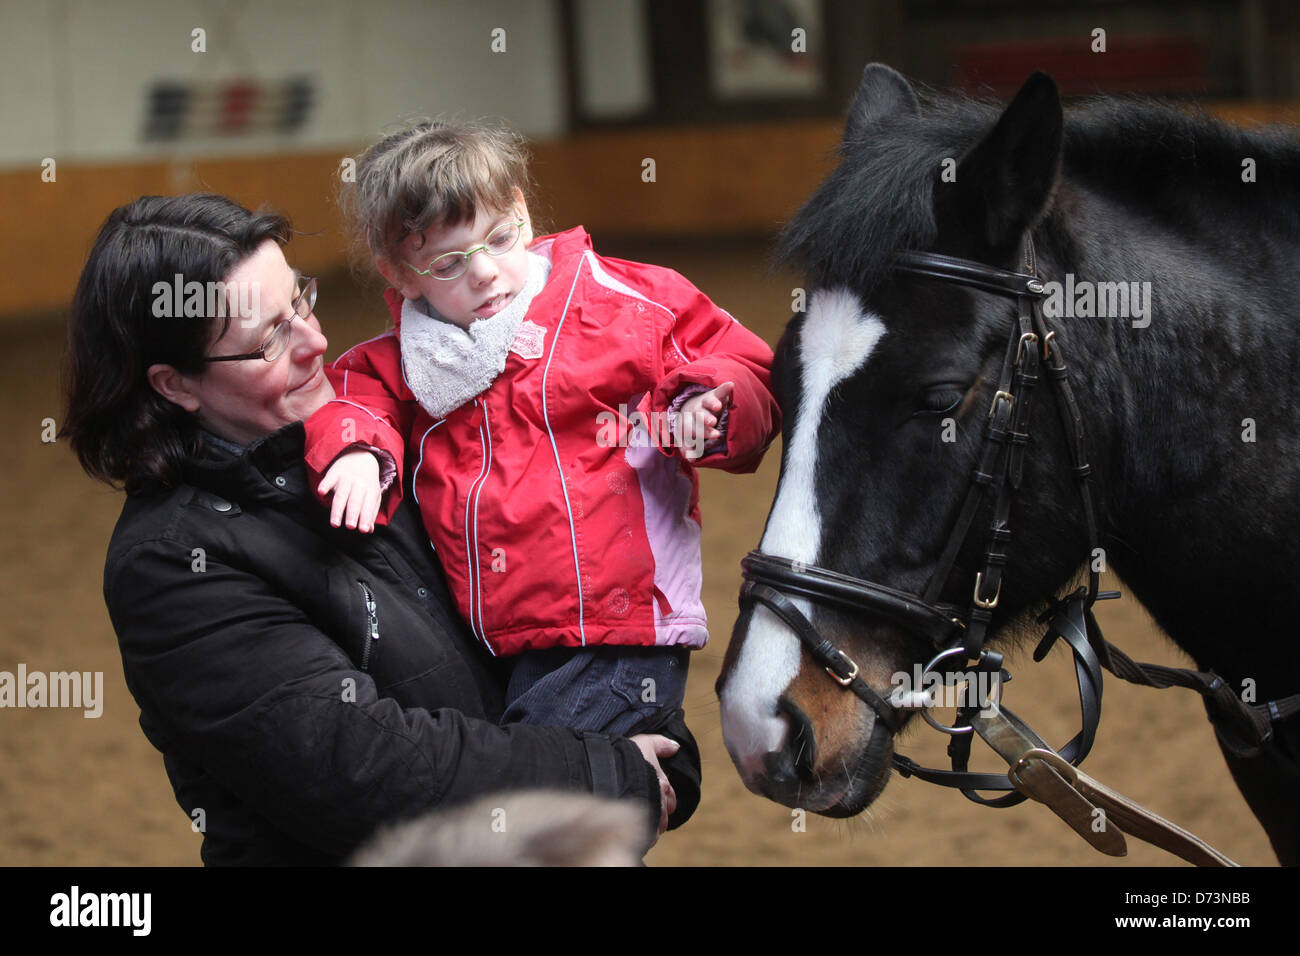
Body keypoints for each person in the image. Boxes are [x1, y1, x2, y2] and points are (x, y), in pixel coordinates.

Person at [61, 193, 697, 866]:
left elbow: (543, 608)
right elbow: (367, 774)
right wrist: (605, 774)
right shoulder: (172, 565)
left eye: (300, 301)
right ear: (176, 385)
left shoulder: (376, 446)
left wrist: (643, 725)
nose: (316, 342)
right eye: (267, 340)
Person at [304, 120, 781, 743]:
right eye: (448, 262)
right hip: (488, 636)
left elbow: (747, 366)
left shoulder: (626, 301)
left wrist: (704, 402)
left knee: (538, 790)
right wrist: (358, 449)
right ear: (400, 273)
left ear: (522, 213)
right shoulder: (402, 358)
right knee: (554, 805)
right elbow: (355, 399)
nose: (484, 273)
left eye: (500, 239)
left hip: (612, 628)